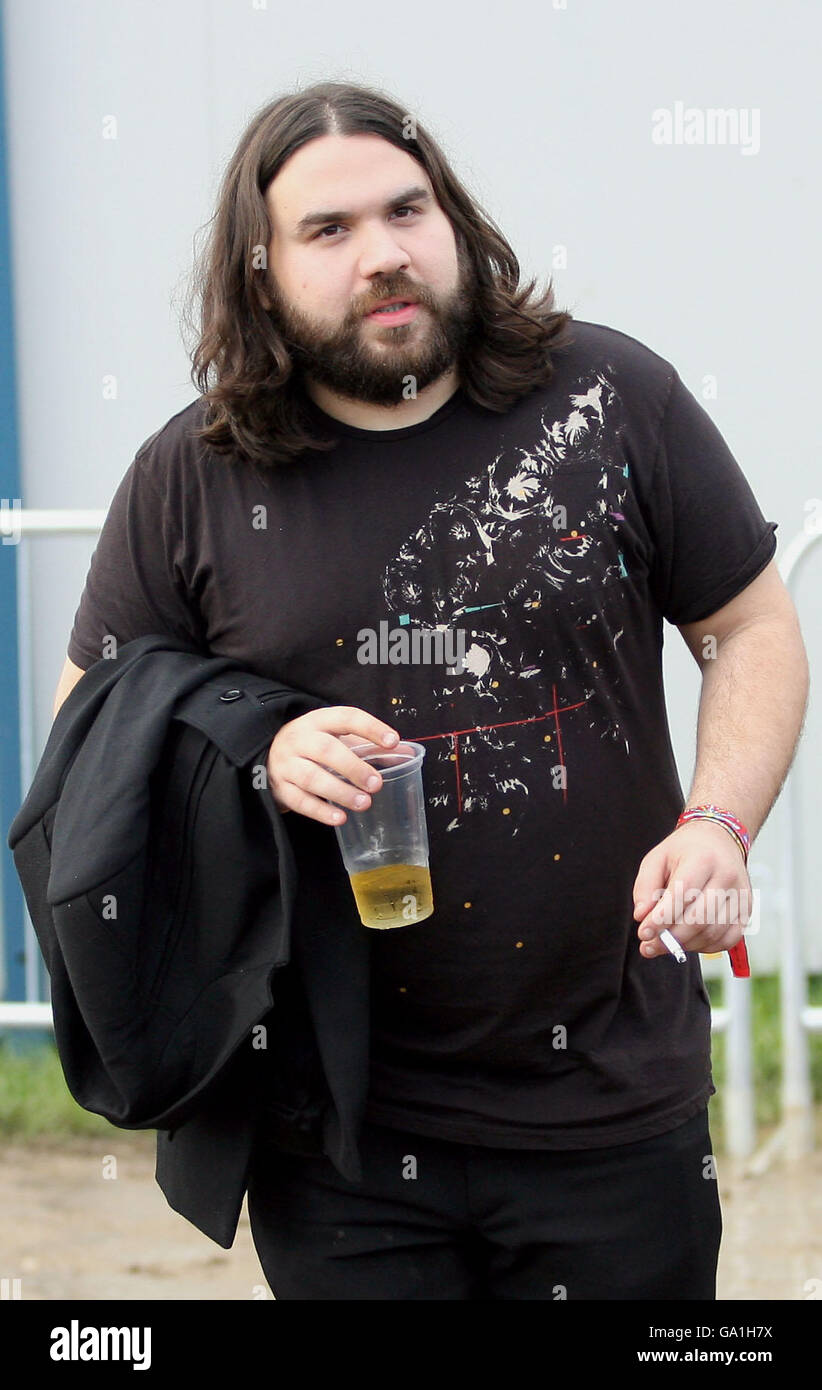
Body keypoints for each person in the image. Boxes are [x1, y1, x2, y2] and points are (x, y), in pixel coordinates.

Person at [55, 80, 809, 1300]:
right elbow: (91, 736)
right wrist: (260, 750)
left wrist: (719, 825)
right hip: (337, 1124)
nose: (384, 255)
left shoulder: (612, 398)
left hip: (611, 1100)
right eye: (329, 231)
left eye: (408, 210)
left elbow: (750, 626)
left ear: (453, 217)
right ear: (260, 273)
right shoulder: (192, 477)